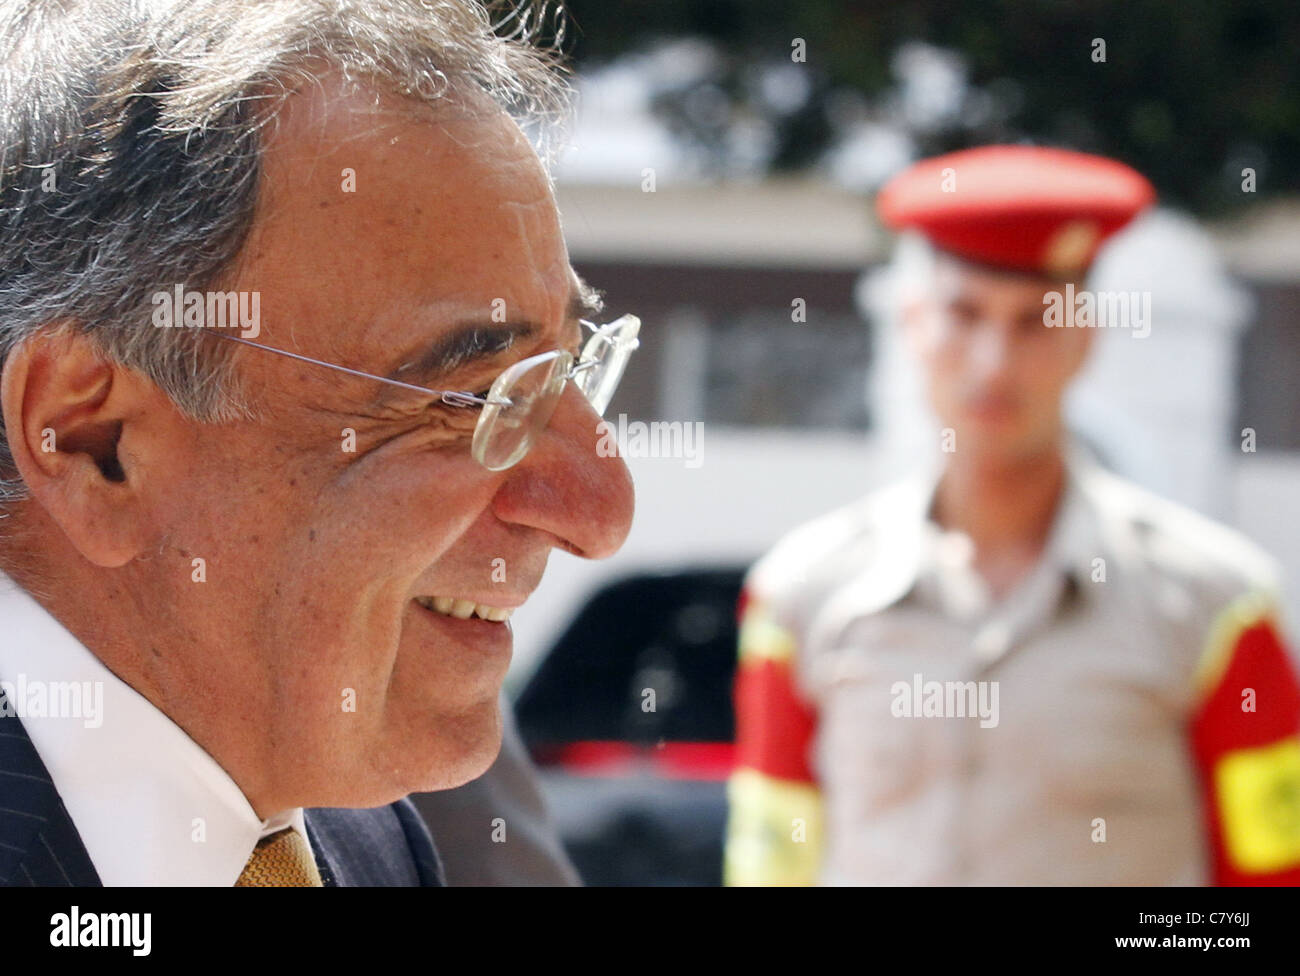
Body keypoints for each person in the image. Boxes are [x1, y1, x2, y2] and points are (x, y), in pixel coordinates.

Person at [0, 0, 635, 886]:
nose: (601, 516)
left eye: (569, 368)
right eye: (477, 396)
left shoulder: (375, 845)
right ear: (91, 441)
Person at [725, 145, 1300, 885]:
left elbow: (1271, 875)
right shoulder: (799, 595)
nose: (994, 362)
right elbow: (770, 865)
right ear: (912, 325)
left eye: (1035, 321)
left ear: (1085, 337)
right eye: (964, 314)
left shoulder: (1216, 601)